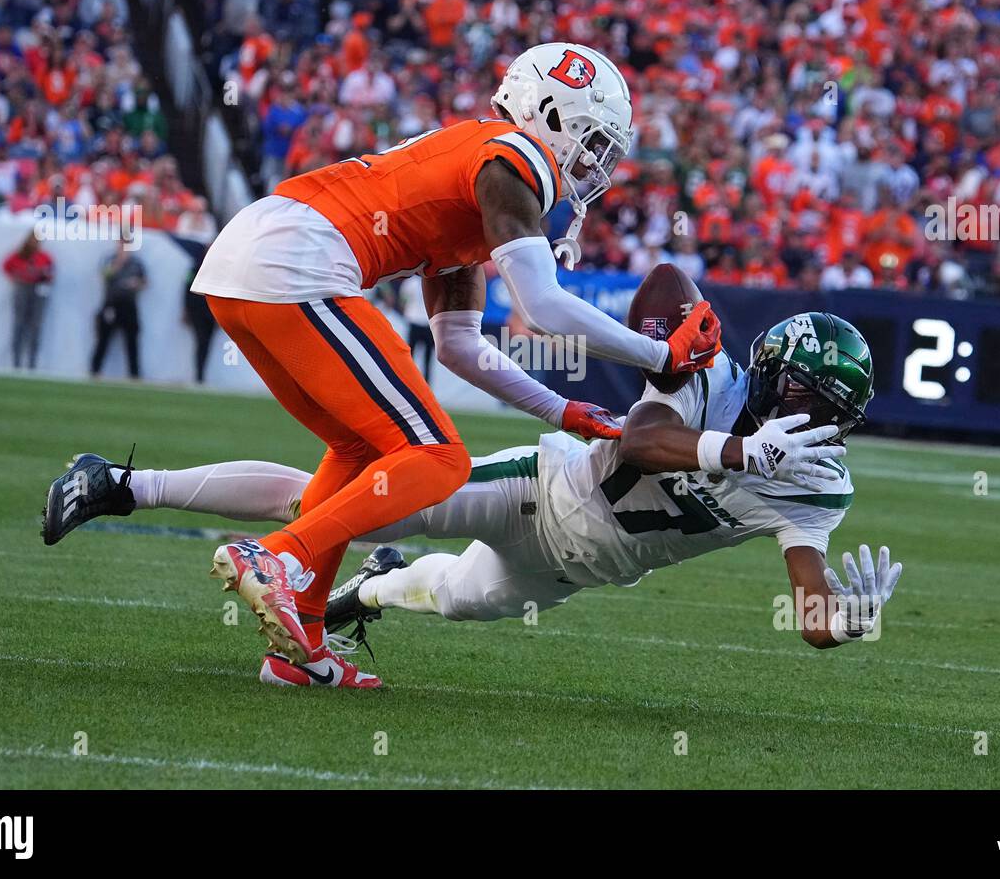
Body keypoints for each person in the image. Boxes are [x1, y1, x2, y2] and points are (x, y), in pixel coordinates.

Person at [55, 43, 722, 688]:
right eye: (592, 139)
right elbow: (543, 306)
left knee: (358, 451)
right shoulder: (516, 159)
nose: (595, 163)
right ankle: (277, 556)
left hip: (254, 259)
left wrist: (563, 409)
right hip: (298, 260)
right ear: (547, 113)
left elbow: (461, 348)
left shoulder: (479, 174)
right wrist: (660, 354)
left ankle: (301, 642)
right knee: (439, 460)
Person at [41, 313, 892, 690]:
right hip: (533, 491)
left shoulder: (817, 482)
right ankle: (121, 484)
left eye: (838, 415)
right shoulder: (707, 377)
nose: (829, 427)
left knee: (453, 597)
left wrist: (847, 620)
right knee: (325, 499)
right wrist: (740, 449)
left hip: (575, 572)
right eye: (818, 404)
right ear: (781, 381)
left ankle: (359, 591)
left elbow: (811, 614)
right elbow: (638, 442)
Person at [90, 241, 146, 379]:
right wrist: (119, 263)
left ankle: (134, 374)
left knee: (132, 341)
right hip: (111, 304)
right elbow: (105, 275)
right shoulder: (110, 259)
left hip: (129, 305)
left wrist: (136, 283)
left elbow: (144, 281)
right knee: (103, 338)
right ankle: (95, 370)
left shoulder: (136, 263)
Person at [2, 232, 54, 369]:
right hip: (22, 288)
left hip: (38, 290)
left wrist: (42, 274)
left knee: (35, 326)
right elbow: (6, 266)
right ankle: (16, 362)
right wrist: (17, 276)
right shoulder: (20, 254)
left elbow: (50, 273)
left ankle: (32, 362)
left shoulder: (44, 257)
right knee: (19, 324)